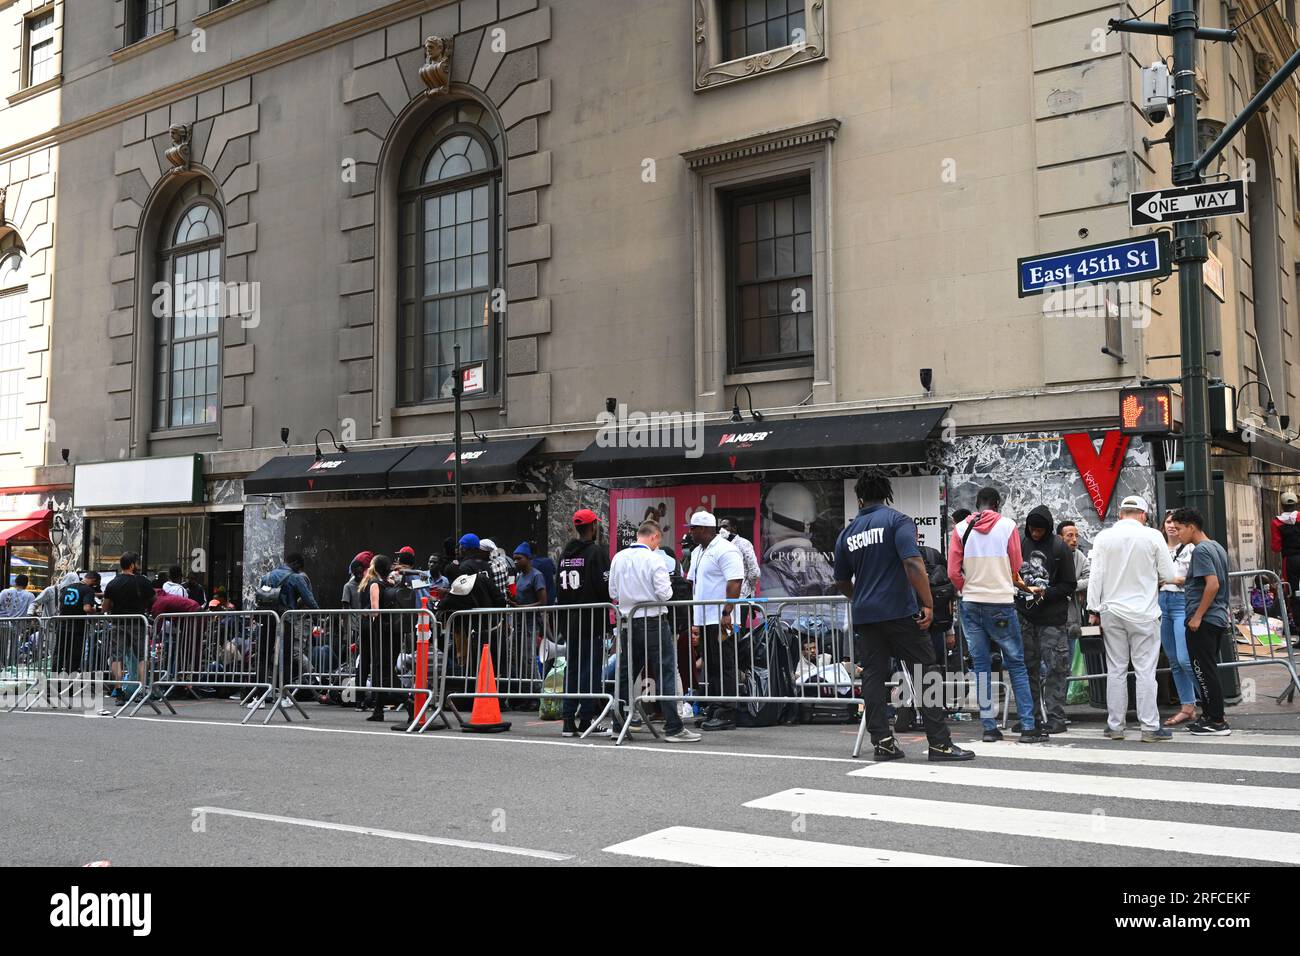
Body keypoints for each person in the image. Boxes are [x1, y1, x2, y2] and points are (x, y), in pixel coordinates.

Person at [836, 473, 974, 762]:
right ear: (887, 495)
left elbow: (841, 581)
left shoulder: (847, 533)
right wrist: (928, 603)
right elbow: (912, 562)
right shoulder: (898, 521)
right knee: (925, 674)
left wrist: (859, 598)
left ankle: (882, 742)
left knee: (873, 676)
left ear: (859, 498)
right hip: (899, 612)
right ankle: (940, 743)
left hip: (867, 615)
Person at [948, 488, 1043, 743]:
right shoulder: (1008, 526)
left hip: (971, 603)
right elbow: (1016, 564)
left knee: (980, 667)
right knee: (1016, 664)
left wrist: (965, 587)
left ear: (977, 504)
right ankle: (1027, 727)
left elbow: (953, 572)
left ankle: (989, 728)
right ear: (998, 504)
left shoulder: (959, 530)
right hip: (1000, 602)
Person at [1086, 495, 1177, 742]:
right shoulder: (1152, 536)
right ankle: (1149, 727)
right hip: (1144, 613)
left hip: (1111, 611)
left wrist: (1093, 609)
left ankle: (1115, 726)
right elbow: (1169, 573)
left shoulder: (1103, 537)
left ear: (1121, 514)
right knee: (1145, 670)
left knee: (1115, 669)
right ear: (1144, 515)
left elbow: (1096, 577)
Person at [608, 520, 701, 742]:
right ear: (655, 537)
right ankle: (673, 728)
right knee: (666, 672)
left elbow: (612, 590)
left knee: (626, 673)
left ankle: (617, 723)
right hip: (653, 620)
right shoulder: (654, 559)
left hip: (627, 620)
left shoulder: (618, 558)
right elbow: (666, 595)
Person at [1013, 505, 1076, 735]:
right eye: (1032, 529)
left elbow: (1069, 584)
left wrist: (1045, 592)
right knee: (1027, 668)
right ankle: (1031, 717)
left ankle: (1056, 716)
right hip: (1026, 616)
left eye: (1040, 530)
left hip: (1052, 618)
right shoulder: (1020, 543)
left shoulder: (1059, 547)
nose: (1036, 533)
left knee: (1056, 668)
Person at [1171, 508, 1232, 736]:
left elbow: (1213, 584)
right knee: (1207, 669)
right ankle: (1210, 716)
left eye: (1179, 529)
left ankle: (1216, 721)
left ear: (1191, 527)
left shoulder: (1202, 550)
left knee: (1203, 670)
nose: (1177, 534)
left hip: (1204, 620)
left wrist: (1197, 616)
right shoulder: (1216, 546)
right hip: (1214, 618)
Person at [685, 511, 744, 731]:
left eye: (693, 528)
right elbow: (695, 584)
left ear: (704, 529)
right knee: (711, 665)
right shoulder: (698, 552)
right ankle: (715, 705)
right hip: (703, 618)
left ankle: (727, 711)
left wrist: (727, 611)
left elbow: (735, 581)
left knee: (725, 663)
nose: (690, 532)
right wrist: (695, 620)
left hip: (721, 619)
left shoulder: (726, 549)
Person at [557, 509, 612, 737]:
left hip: (570, 622)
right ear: (593, 527)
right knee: (590, 672)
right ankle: (586, 720)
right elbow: (606, 586)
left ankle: (568, 721)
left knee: (572, 670)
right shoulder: (596, 553)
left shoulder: (564, 555)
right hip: (591, 621)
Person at [895, 527, 957, 730]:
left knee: (929, 668)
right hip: (913, 622)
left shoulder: (932, 554)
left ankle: (925, 715)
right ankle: (911, 712)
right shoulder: (899, 556)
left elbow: (947, 592)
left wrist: (950, 630)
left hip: (931, 622)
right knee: (912, 670)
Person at [1159, 510, 1198, 727]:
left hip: (1181, 603)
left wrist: (1172, 579)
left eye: (1175, 522)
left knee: (1185, 659)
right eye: (1168, 521)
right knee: (1174, 660)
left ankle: (1211, 704)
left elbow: (1192, 578)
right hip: (1162, 603)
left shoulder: (1191, 548)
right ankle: (1187, 707)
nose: (1172, 525)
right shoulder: (1159, 548)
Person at [101, 553, 157, 702]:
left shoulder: (113, 583)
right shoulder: (142, 581)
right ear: (132, 565)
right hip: (138, 623)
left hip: (118, 623)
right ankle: (141, 690)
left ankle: (118, 691)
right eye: (137, 563)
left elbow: (105, 607)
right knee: (141, 657)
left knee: (116, 657)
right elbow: (154, 600)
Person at [358, 554, 402, 723]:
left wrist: (365, 612)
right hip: (392, 631)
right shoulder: (389, 583)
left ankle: (409, 701)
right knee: (383, 668)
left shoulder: (374, 584)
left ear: (374, 567)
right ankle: (378, 710)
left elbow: (375, 611)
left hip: (381, 631)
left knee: (383, 671)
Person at [718, 518, 760, 599]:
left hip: (741, 596)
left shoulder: (744, 544)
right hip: (723, 596)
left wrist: (747, 586)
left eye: (725, 527)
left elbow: (754, 572)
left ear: (734, 528)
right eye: (720, 527)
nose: (721, 530)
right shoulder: (719, 545)